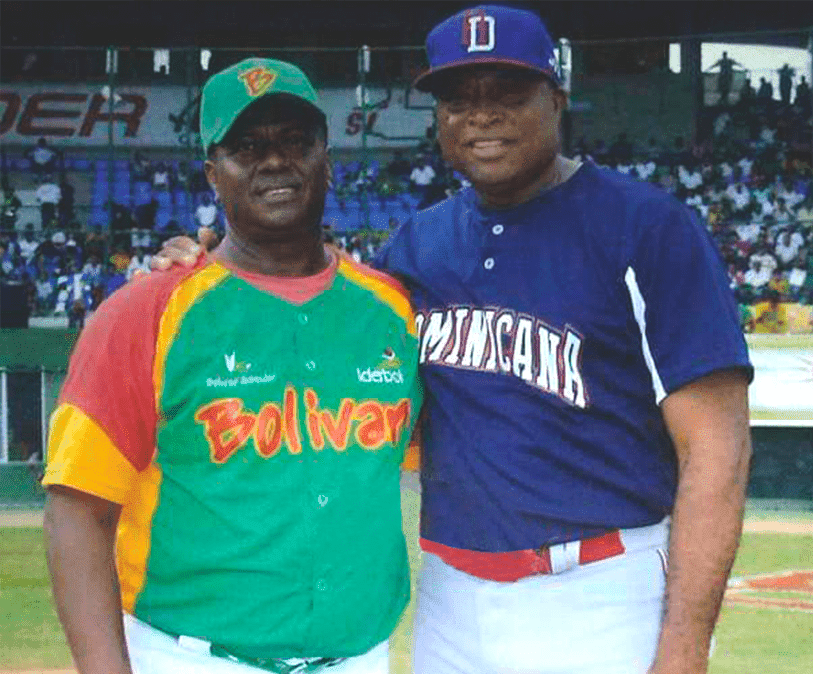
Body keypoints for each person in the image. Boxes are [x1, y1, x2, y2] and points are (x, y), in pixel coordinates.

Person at [155, 7, 753, 674]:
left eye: (507, 93)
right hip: (449, 595)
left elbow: (716, 449)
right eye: (458, 99)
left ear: (556, 101)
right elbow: (310, 325)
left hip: (602, 590)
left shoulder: (648, 228)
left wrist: (683, 649)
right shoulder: (417, 245)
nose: (481, 116)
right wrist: (206, 268)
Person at [43, 57, 423, 674]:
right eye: (246, 147)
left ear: (327, 159)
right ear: (213, 174)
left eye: (294, 140)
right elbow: (76, 509)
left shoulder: (391, 311)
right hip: (193, 659)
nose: (273, 161)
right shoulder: (143, 313)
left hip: (360, 658)